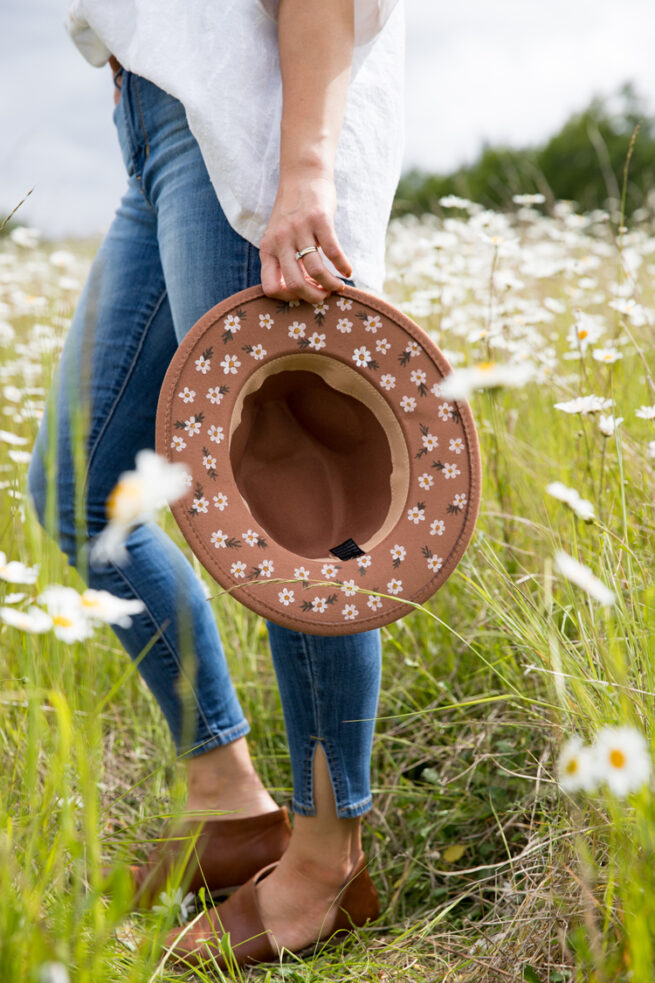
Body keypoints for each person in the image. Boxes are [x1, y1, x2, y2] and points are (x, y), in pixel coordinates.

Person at [28, 0, 404, 966]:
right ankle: (228, 799)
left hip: (246, 122)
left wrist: (305, 167)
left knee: (293, 519)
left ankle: (326, 863)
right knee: (81, 487)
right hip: (155, 123)